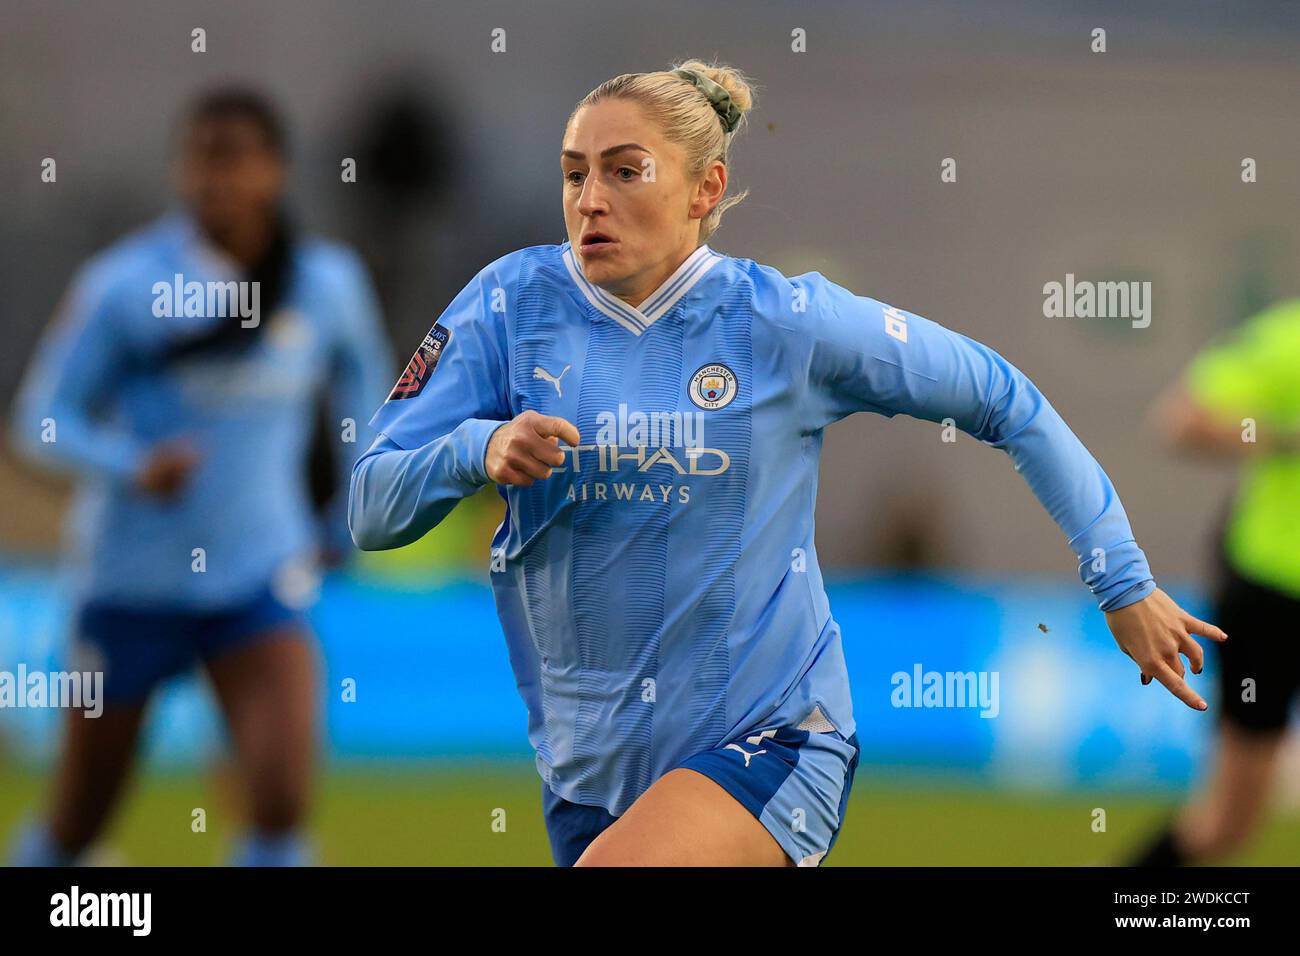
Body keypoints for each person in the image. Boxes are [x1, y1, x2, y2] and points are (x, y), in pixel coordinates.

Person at [349, 59, 1225, 867]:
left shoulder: (785, 324)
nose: (590, 200)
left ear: (706, 188)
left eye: (625, 170)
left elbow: (1001, 396)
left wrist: (1121, 581)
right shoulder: (508, 305)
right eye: (575, 173)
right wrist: (479, 449)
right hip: (587, 776)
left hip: (773, 743)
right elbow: (371, 508)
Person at [7, 88, 392, 866]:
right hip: (131, 585)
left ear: (274, 171)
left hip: (257, 579)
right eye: (199, 160)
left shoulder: (325, 284)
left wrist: (349, 514)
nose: (214, 180)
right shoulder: (124, 284)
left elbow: (369, 397)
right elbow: (41, 419)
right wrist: (130, 465)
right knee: (80, 822)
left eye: (233, 159)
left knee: (280, 804)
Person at [1129, 298, 1300, 866]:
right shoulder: (1285, 341)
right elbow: (1181, 420)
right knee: (1228, 822)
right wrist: (1281, 440)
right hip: (1272, 595)